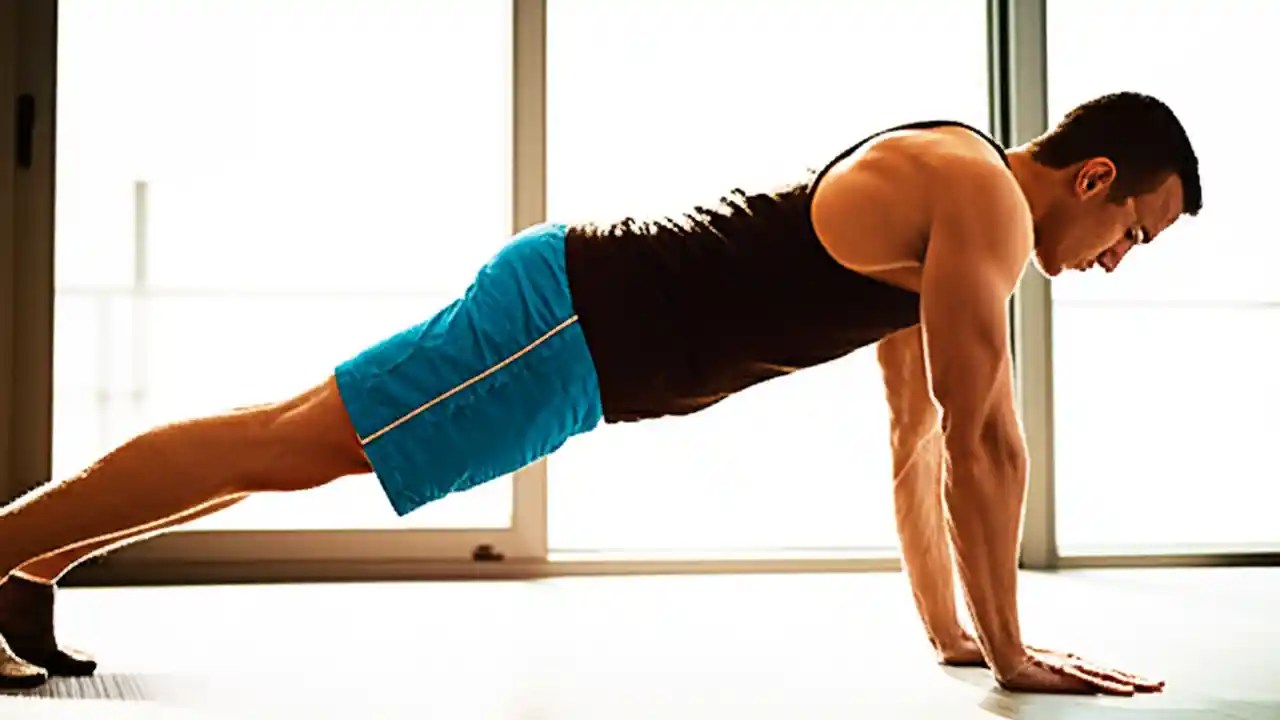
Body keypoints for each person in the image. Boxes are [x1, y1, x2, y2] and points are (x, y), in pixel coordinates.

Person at [0, 91, 1199, 694]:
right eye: (1131, 233)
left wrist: (949, 631)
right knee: (284, 445)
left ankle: (30, 568)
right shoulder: (979, 195)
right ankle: (8, 548)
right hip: (570, 324)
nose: (1112, 262)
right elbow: (986, 442)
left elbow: (920, 430)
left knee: (288, 450)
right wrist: (1009, 655)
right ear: (1095, 176)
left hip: (576, 328)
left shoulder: (957, 207)